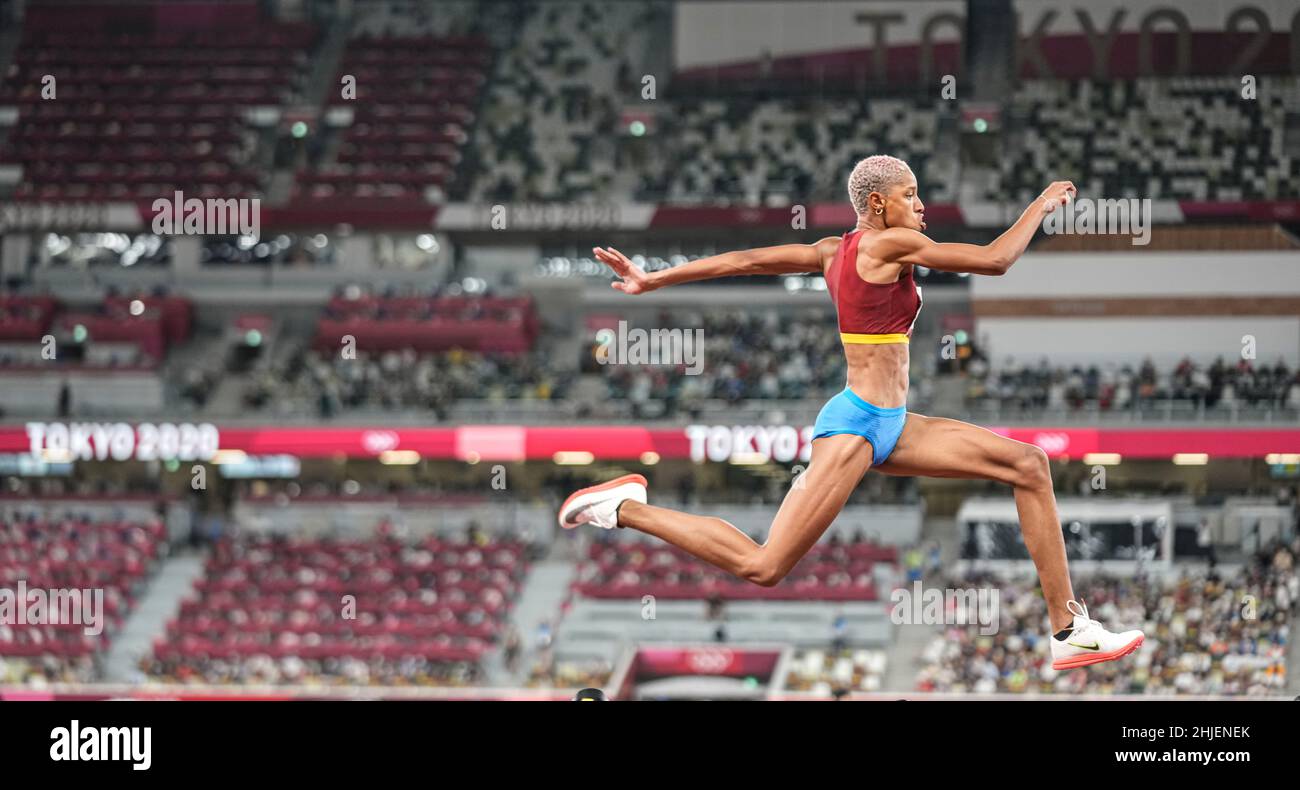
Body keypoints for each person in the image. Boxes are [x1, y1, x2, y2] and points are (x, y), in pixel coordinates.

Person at [558, 155, 1144, 670]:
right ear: (876, 203)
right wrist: (1040, 204)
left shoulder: (828, 252)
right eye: (910, 195)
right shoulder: (887, 243)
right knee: (764, 566)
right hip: (857, 425)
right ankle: (623, 509)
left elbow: (745, 261)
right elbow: (994, 260)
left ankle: (1070, 631)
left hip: (895, 423)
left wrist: (656, 277)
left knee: (1029, 464)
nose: (920, 205)